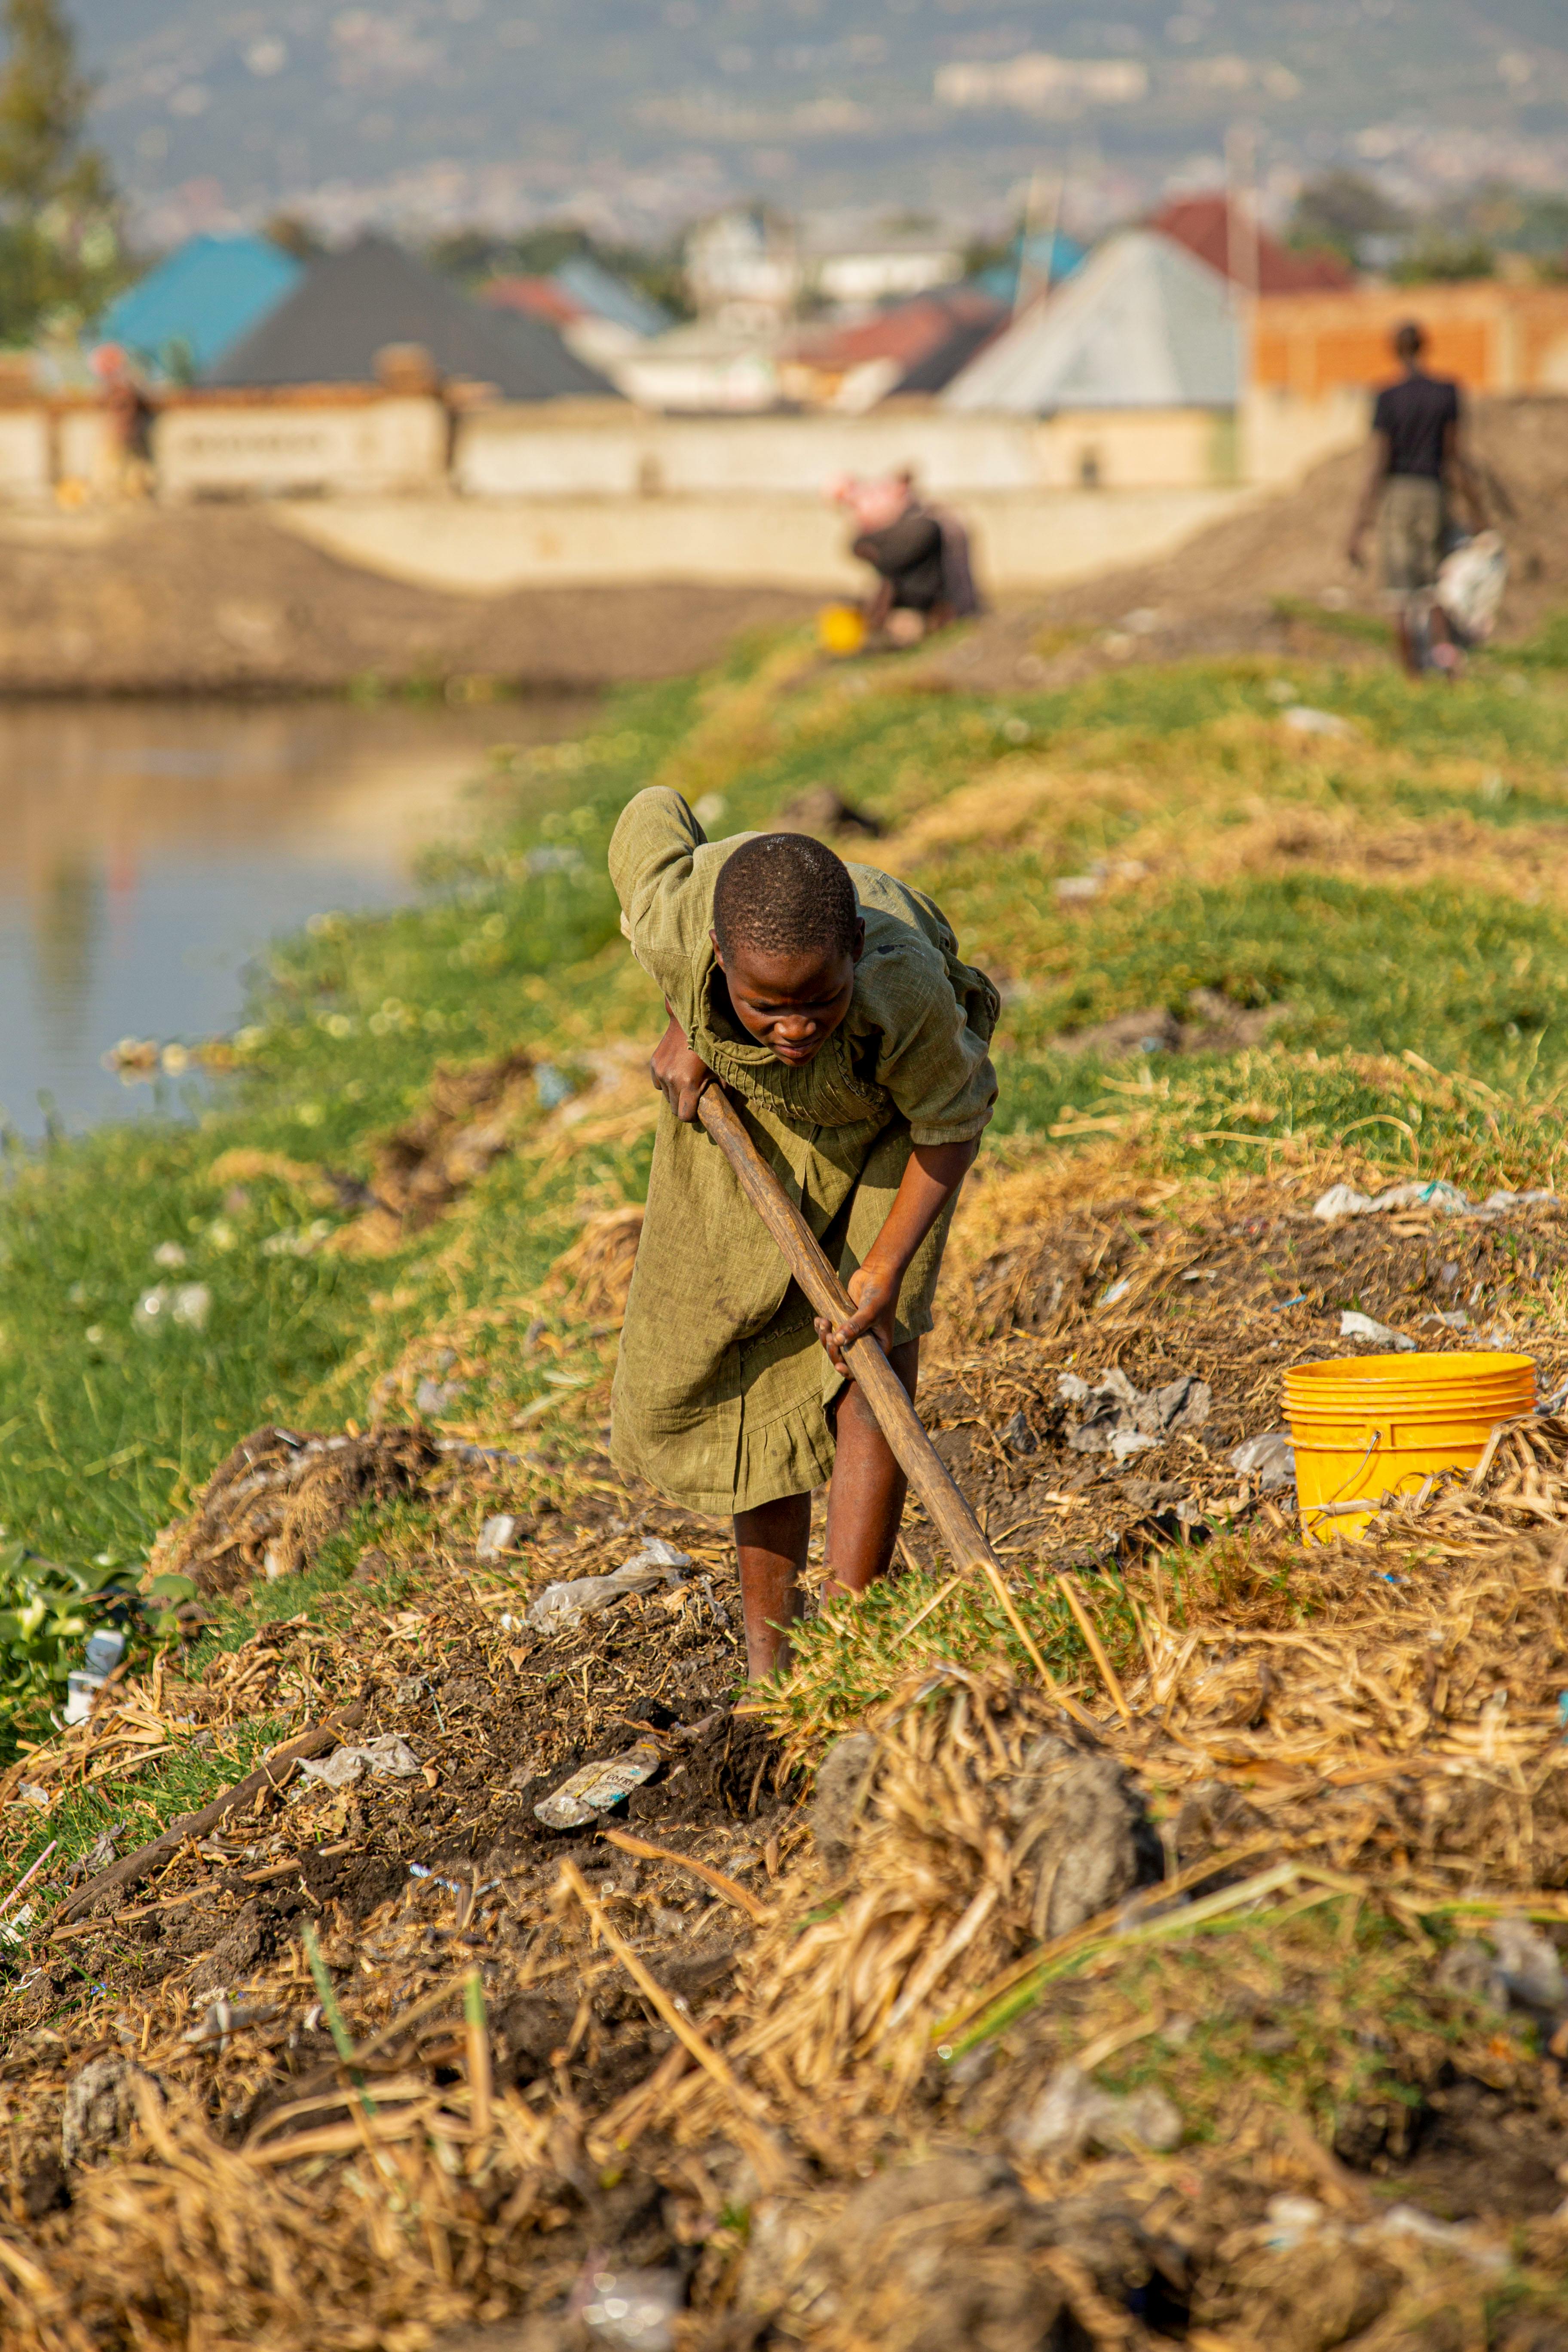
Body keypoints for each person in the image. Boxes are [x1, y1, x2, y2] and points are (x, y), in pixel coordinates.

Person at [608, 787, 998, 1678]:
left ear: (853, 953)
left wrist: (885, 1269)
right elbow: (651, 809)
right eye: (763, 1007)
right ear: (716, 956)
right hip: (749, 1111)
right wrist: (687, 1015)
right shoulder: (677, 928)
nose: (792, 1027)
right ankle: (770, 1666)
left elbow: (952, 1122)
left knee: (870, 1346)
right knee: (755, 1364)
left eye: (816, 1001)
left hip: (894, 1125)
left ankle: (852, 1633)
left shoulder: (902, 989)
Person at [1346, 320, 1488, 677]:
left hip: (1398, 493)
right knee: (1434, 587)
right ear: (1425, 346)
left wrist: (1359, 525)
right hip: (1434, 492)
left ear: (1395, 349)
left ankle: (1412, 674)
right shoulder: (1446, 392)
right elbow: (1457, 456)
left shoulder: (1388, 396)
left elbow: (1378, 462)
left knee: (1399, 591)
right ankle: (1448, 666)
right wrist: (1478, 511)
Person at [831, 472, 983, 642]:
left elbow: (888, 560)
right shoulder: (902, 523)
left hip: (928, 598)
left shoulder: (921, 525)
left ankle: (956, 615)